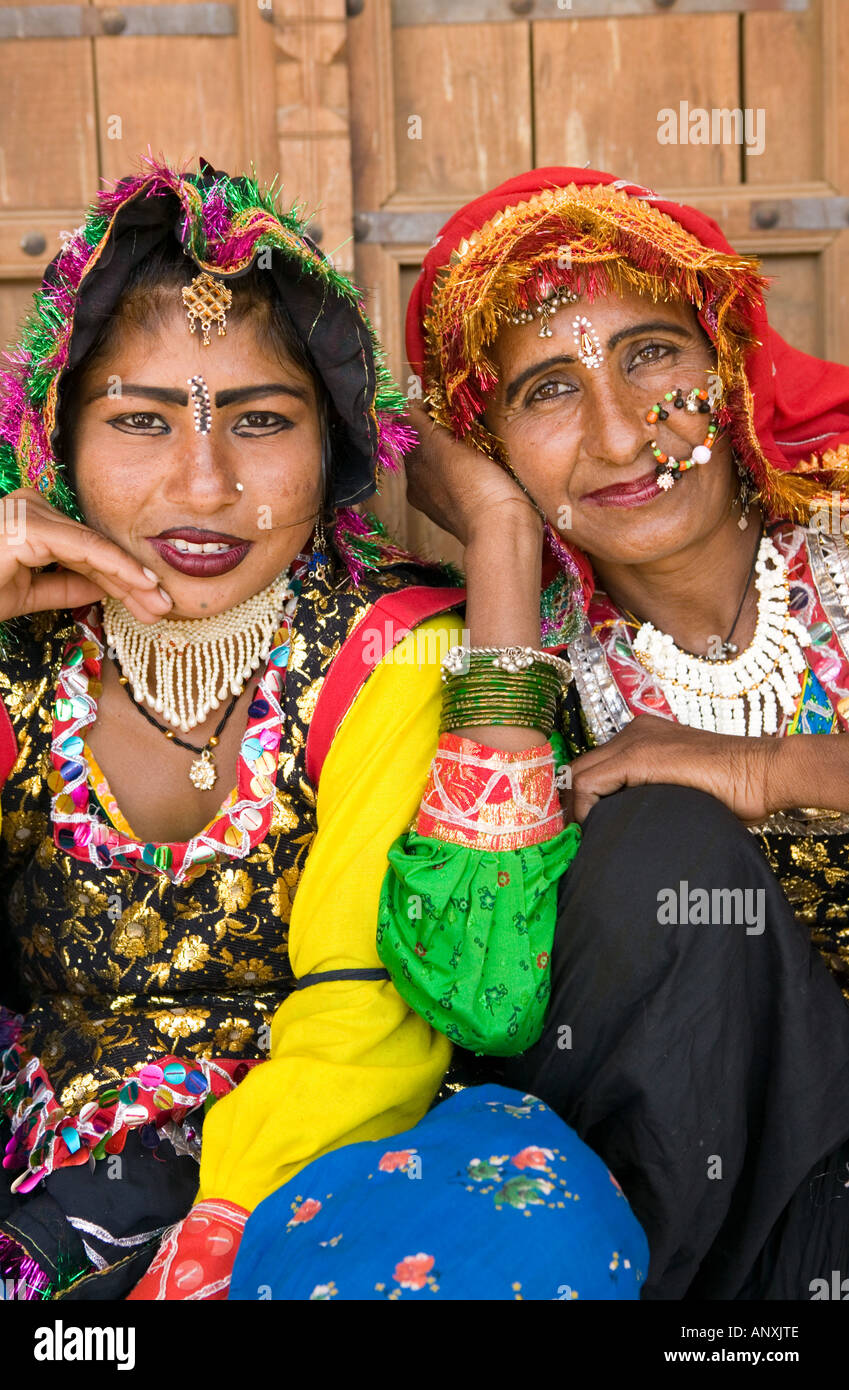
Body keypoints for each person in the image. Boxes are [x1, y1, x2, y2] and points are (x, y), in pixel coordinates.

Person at [0, 155, 642, 1301]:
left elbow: (423, 1004)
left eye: (263, 422)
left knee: (529, 1231)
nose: (204, 481)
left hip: (319, 1175)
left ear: (334, 448)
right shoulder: (7, 651)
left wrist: (497, 530)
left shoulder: (382, 652)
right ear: (57, 447)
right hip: (39, 1167)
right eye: (141, 422)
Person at [393, 166, 849, 1299]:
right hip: (696, 1222)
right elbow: (478, 996)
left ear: (726, 367)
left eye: (652, 355)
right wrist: (502, 545)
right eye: (546, 390)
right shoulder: (505, 667)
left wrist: (764, 767)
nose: (617, 431)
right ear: (483, 443)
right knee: (657, 857)